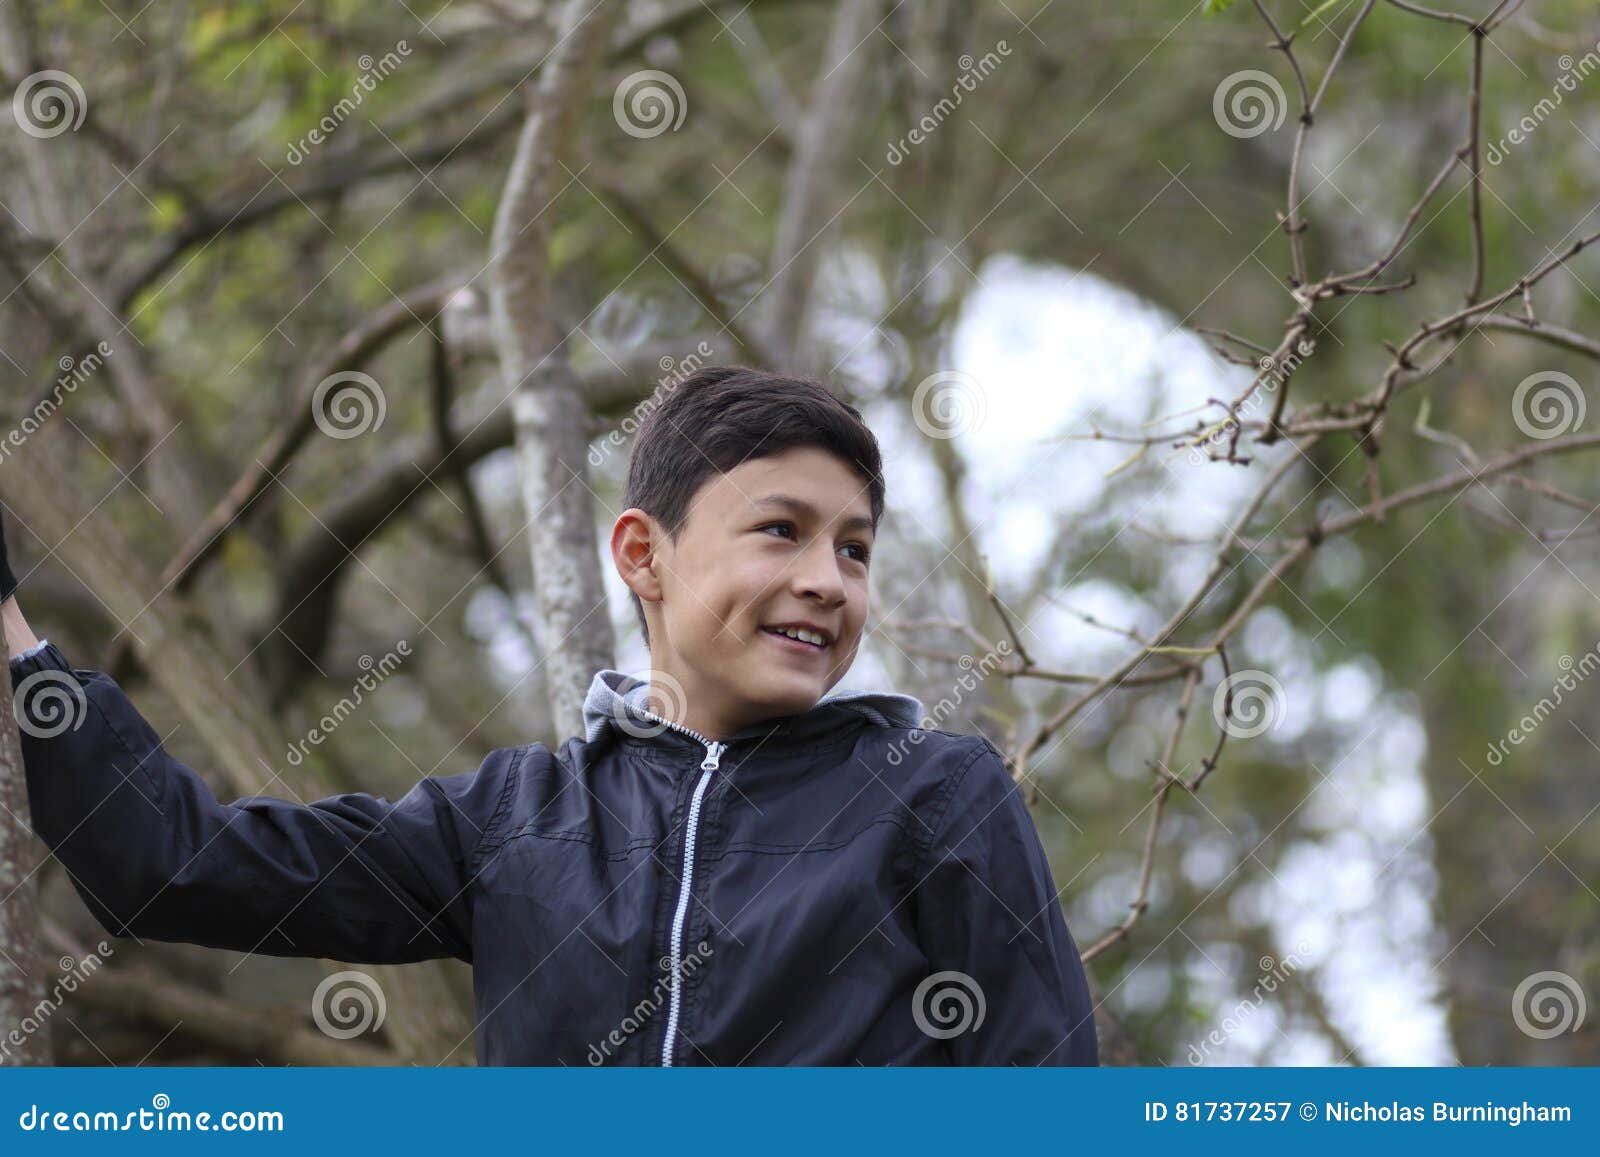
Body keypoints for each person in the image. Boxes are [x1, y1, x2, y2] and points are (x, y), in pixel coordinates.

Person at [3, 365, 1098, 1066]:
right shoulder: (517, 821)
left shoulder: (933, 789)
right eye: (781, 529)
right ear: (641, 554)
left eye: (853, 548)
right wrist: (17, 639)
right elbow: (168, 863)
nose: (828, 577)